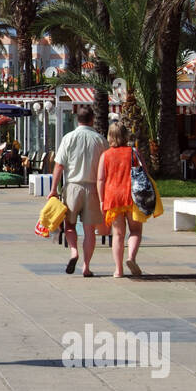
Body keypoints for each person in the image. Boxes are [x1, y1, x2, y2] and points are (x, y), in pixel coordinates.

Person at [49, 106, 108, 278]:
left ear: (77, 120)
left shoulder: (68, 138)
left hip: (73, 186)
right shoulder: (100, 140)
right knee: (90, 230)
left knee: (70, 225)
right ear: (92, 120)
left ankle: (73, 251)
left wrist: (53, 190)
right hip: (93, 188)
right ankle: (86, 266)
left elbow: (59, 165)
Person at [98, 122, 144, 278]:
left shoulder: (105, 155)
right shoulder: (134, 152)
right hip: (131, 196)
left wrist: (101, 200)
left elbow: (100, 179)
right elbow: (144, 172)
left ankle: (118, 270)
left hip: (113, 197)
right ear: (126, 135)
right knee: (135, 230)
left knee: (117, 234)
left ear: (110, 137)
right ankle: (131, 257)